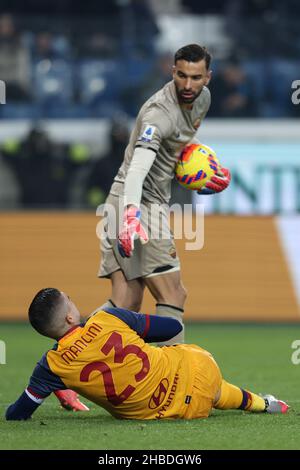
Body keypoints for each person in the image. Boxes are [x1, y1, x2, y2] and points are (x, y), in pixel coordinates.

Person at [98, 44, 231, 346]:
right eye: (181, 75)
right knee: (173, 293)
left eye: (195, 77)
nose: (187, 85)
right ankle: (178, 379)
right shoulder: (158, 115)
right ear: (172, 71)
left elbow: (182, 141)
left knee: (126, 303)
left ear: (208, 77)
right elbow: (136, 170)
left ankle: (64, 360)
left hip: (129, 204)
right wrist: (132, 216)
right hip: (138, 204)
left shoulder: (202, 99)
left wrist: (209, 167)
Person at [5, 288, 288, 421]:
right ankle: (261, 404)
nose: (75, 301)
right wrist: (132, 328)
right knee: (201, 376)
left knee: (202, 394)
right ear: (69, 317)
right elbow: (171, 328)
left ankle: (259, 403)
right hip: (199, 372)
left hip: (162, 414)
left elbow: (18, 414)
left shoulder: (51, 366)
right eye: (71, 300)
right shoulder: (106, 318)